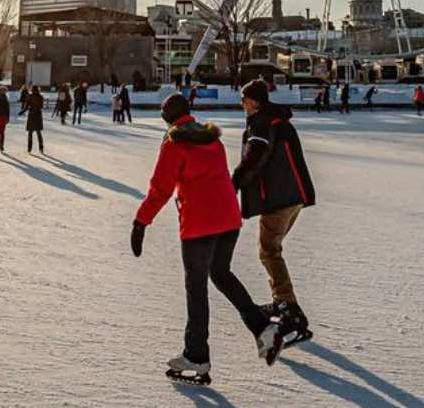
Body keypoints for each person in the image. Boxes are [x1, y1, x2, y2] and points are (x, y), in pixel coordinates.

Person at [131, 93, 282, 383]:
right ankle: (263, 327)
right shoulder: (212, 139)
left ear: (167, 118)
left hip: (200, 225)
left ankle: (197, 355)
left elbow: (160, 190)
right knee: (221, 273)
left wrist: (140, 223)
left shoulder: (174, 144)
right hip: (228, 220)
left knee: (196, 288)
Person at [232, 79, 317, 346]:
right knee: (270, 248)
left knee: (269, 250)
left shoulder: (261, 121)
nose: (242, 104)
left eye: (244, 99)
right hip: (293, 196)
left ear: (255, 101)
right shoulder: (277, 119)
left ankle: (290, 309)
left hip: (280, 198)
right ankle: (282, 302)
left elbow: (256, 154)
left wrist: (235, 181)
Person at [21, 85, 45, 154]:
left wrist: (22, 111)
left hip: (31, 115)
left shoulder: (29, 96)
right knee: (38, 132)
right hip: (38, 115)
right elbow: (41, 106)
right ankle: (41, 148)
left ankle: (29, 148)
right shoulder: (40, 97)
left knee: (30, 133)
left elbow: (26, 106)